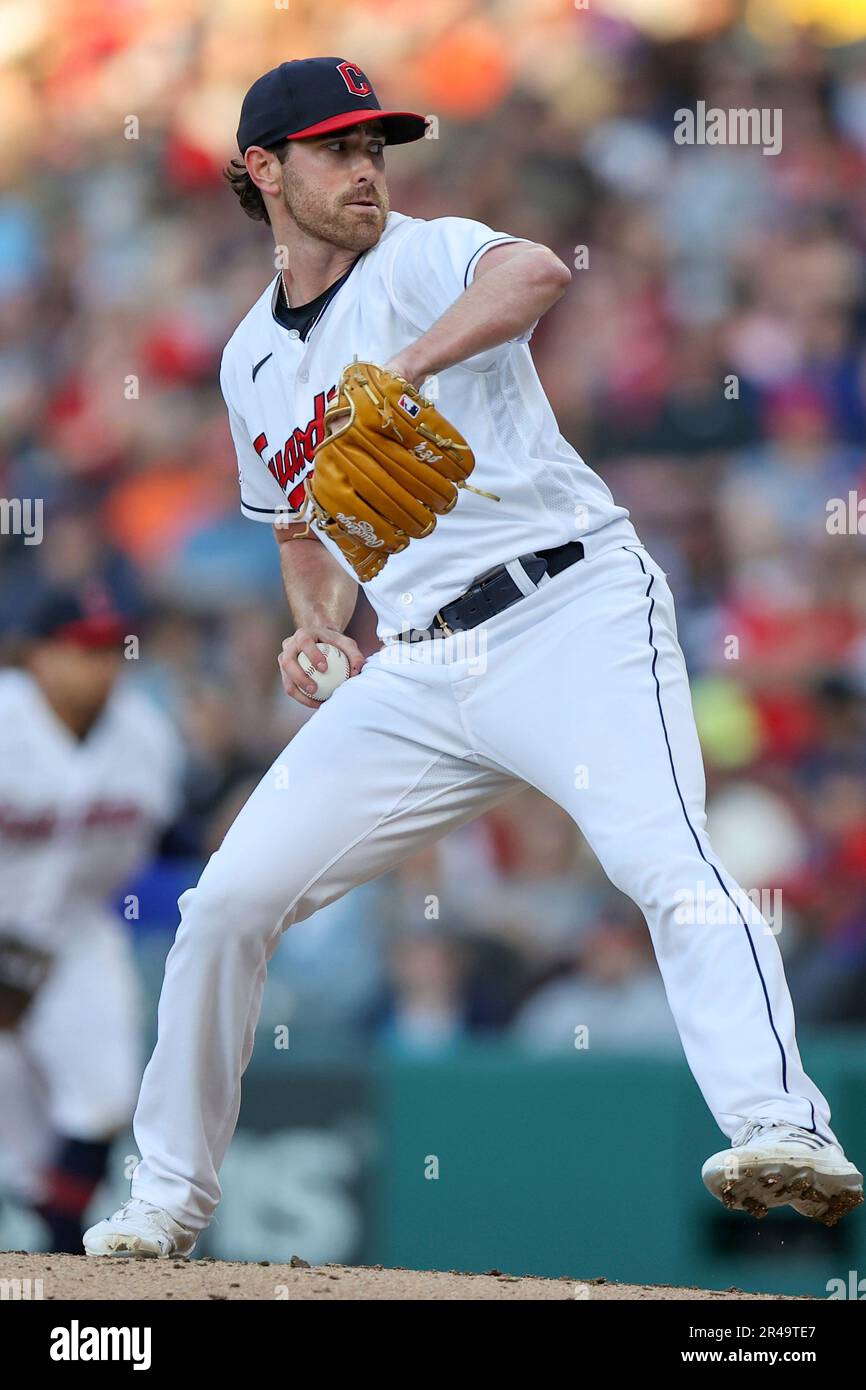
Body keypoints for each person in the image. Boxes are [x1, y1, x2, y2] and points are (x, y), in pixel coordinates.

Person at [85, 57, 862, 1258]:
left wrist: (401, 370)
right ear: (263, 169)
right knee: (227, 901)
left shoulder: (423, 252)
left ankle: (783, 1128)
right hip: (416, 665)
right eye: (337, 149)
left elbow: (537, 272)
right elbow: (303, 517)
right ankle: (164, 1204)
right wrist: (313, 621)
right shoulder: (247, 361)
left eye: (375, 147)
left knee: (663, 859)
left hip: (572, 615)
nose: (364, 169)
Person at [0, 588, 181, 1252]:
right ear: (37, 656)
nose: (103, 664)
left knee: (104, 1097)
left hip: (74, 934)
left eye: (112, 649)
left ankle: (59, 1249)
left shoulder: (148, 737)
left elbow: (156, 847)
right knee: (17, 1128)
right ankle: (48, 1235)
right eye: (84, 649)